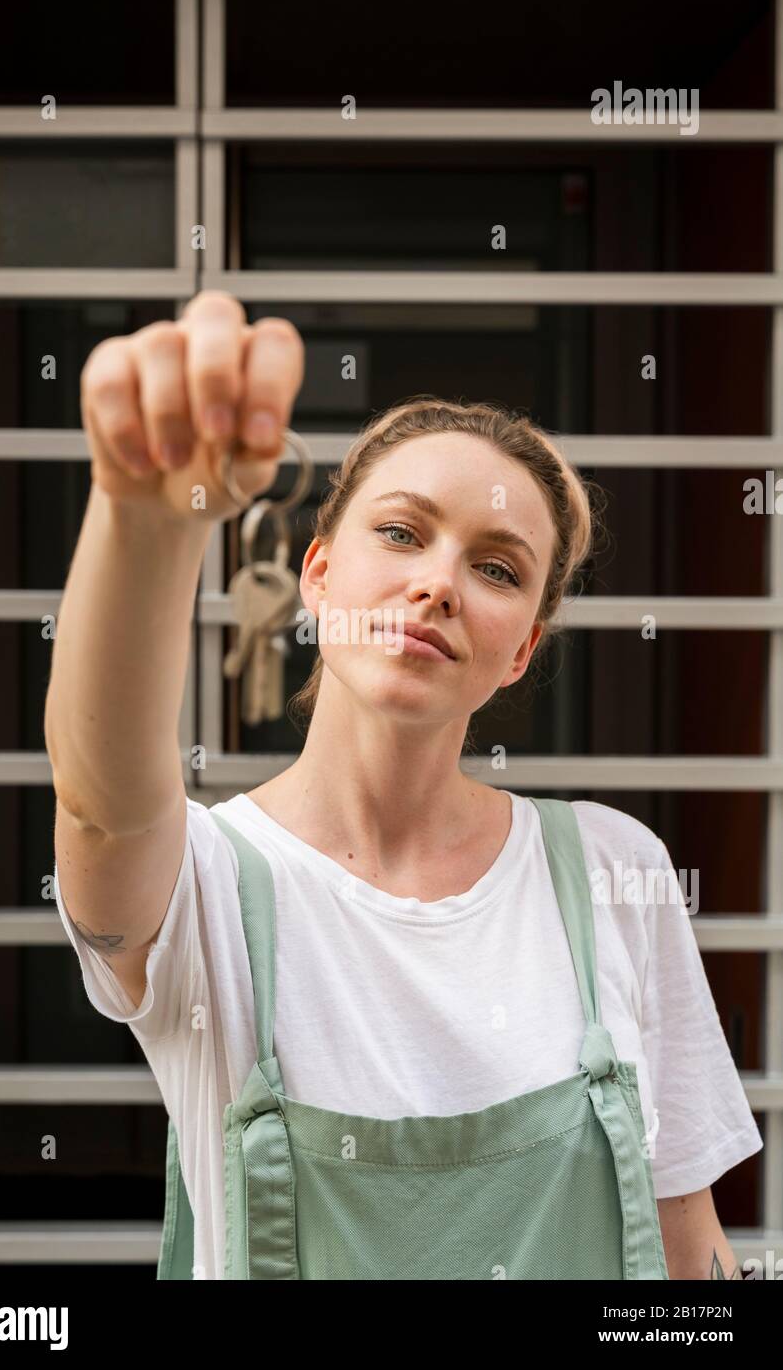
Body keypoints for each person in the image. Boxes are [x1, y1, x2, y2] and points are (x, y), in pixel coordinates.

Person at [44, 290, 762, 1281]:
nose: (436, 583)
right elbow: (100, 799)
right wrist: (142, 520)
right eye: (400, 533)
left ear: (520, 653)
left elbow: (693, 1257)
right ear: (318, 575)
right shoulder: (205, 883)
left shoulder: (612, 868)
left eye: (497, 570)